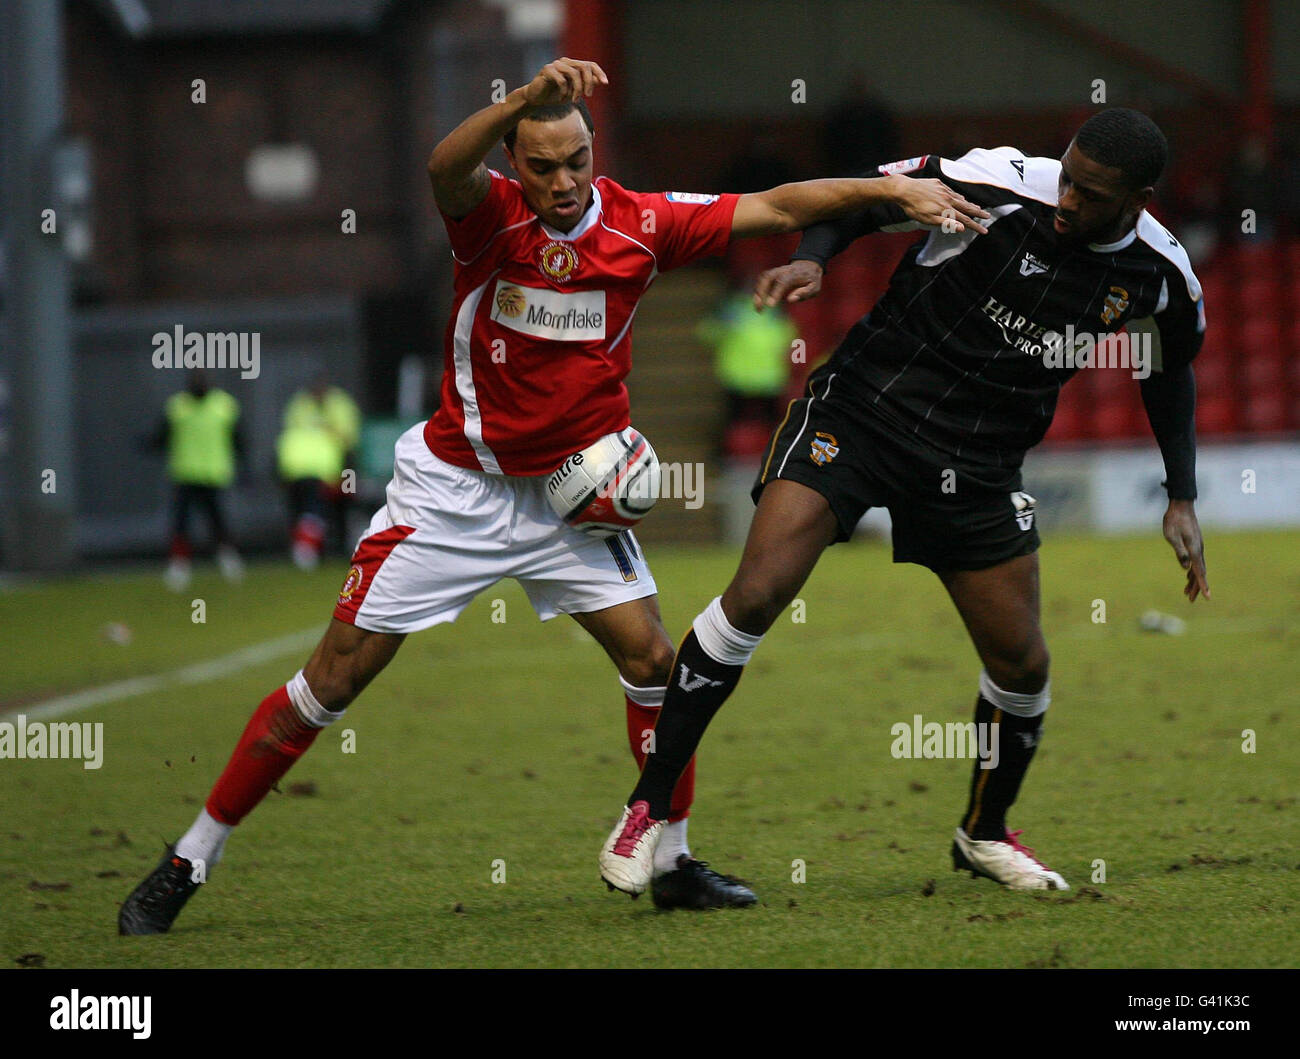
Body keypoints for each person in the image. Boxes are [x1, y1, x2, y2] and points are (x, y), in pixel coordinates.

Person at [118, 57, 986, 933]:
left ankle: (674, 860)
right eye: (541, 163)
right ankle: (189, 858)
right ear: (514, 160)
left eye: (575, 160)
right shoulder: (488, 219)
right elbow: (441, 169)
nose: (562, 181)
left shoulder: (642, 224)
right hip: (455, 490)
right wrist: (517, 103)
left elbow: (783, 205)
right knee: (330, 681)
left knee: (655, 662)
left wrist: (897, 195)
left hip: (572, 500)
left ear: (592, 151)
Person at [599, 108, 1210, 896]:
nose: (1067, 201)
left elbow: (1168, 369)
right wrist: (814, 257)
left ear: (1138, 196)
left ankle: (984, 834)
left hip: (976, 461)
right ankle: (647, 806)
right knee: (754, 594)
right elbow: (870, 196)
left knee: (1021, 663)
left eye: (1091, 195)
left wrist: (1181, 497)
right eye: (1067, 176)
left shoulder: (1160, 272)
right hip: (863, 412)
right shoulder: (1000, 182)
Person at [150, 369, 245, 591]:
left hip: (214, 473)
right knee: (181, 523)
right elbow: (162, 436)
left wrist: (242, 465)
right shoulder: (178, 406)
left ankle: (228, 560)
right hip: (185, 472)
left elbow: (239, 439)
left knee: (217, 520)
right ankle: (179, 566)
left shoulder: (224, 406)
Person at [277, 374, 362, 569]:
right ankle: (313, 549)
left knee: (343, 504)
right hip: (311, 466)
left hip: (343, 465)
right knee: (309, 507)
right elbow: (292, 431)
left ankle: (339, 546)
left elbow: (349, 436)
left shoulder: (340, 404)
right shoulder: (300, 404)